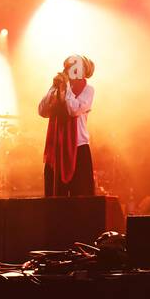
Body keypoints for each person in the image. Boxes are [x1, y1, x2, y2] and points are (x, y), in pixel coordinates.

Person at [39, 55, 96, 197]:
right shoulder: (58, 88)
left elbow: (73, 110)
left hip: (78, 148)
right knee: (55, 198)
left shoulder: (88, 90)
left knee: (81, 199)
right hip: (56, 149)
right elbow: (42, 111)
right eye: (67, 66)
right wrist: (54, 89)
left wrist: (67, 89)